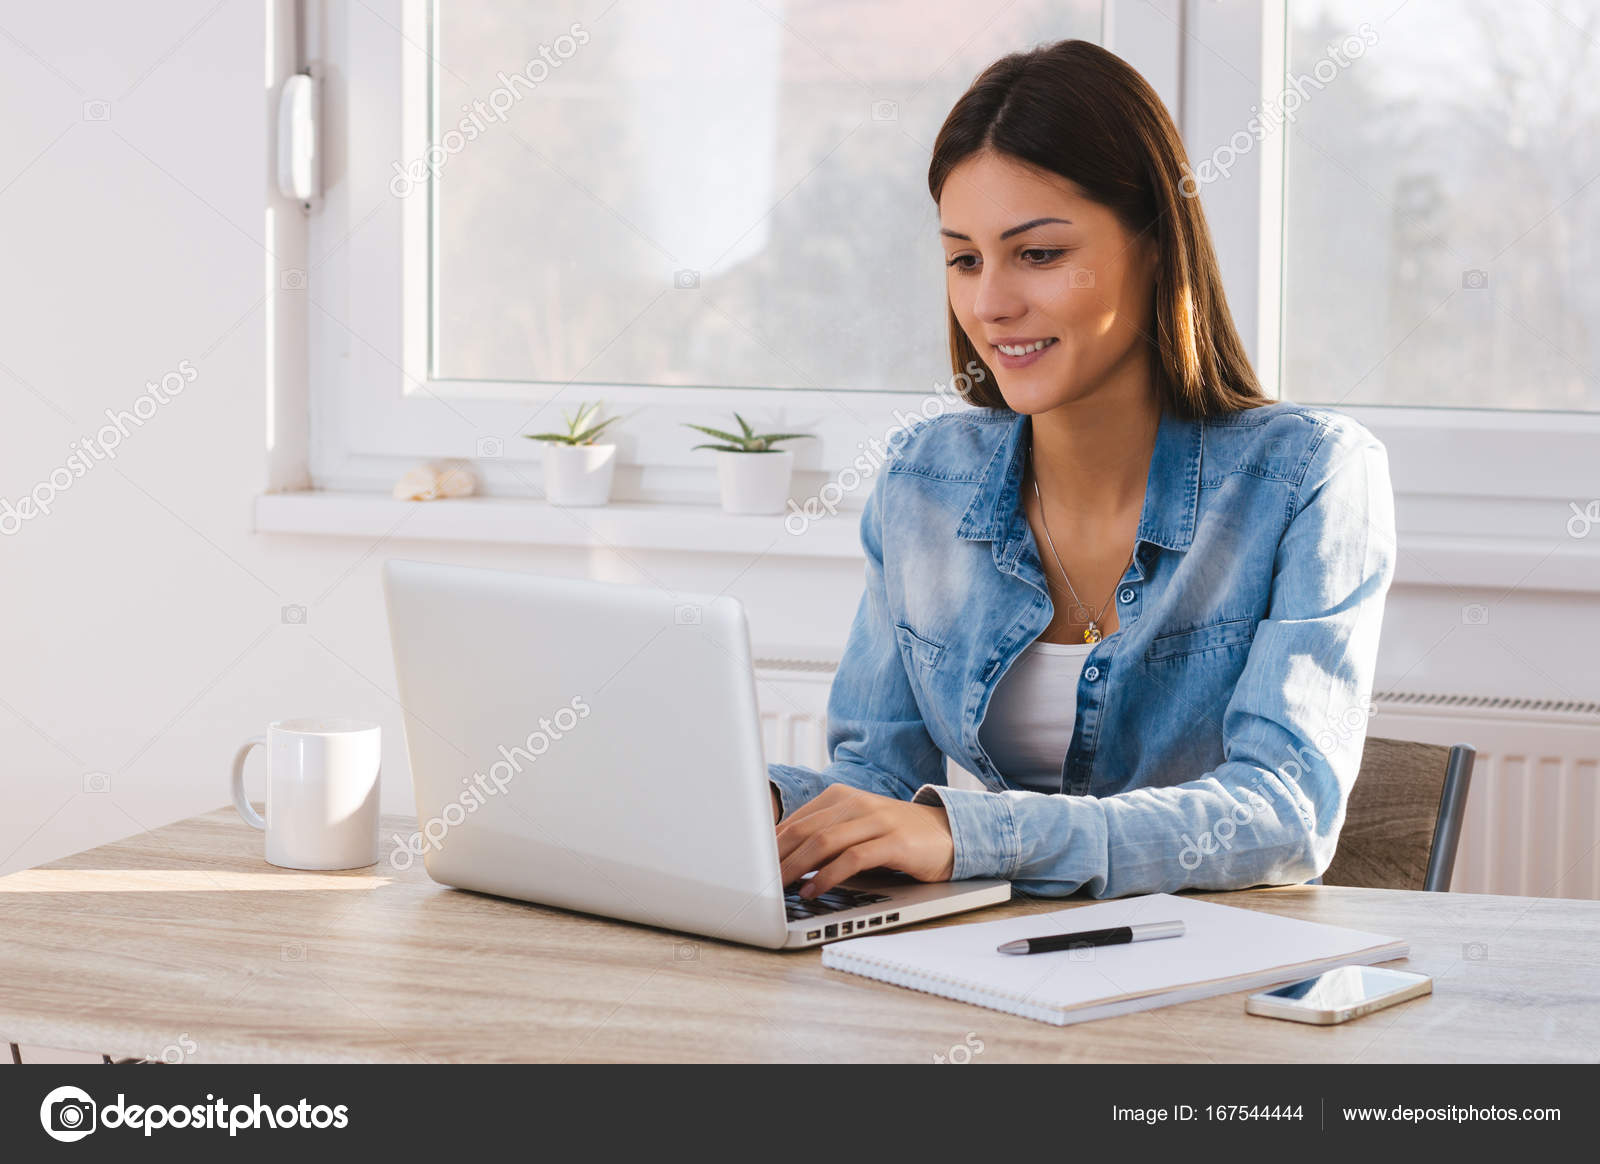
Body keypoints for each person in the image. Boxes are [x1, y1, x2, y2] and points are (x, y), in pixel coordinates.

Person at [766, 39, 1396, 902]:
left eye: (1039, 254)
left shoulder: (1310, 478)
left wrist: (973, 834)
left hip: (1213, 998)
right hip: (992, 972)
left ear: (1153, 245)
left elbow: (1281, 816)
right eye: (964, 258)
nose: (990, 302)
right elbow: (879, 771)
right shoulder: (923, 479)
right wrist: (759, 803)